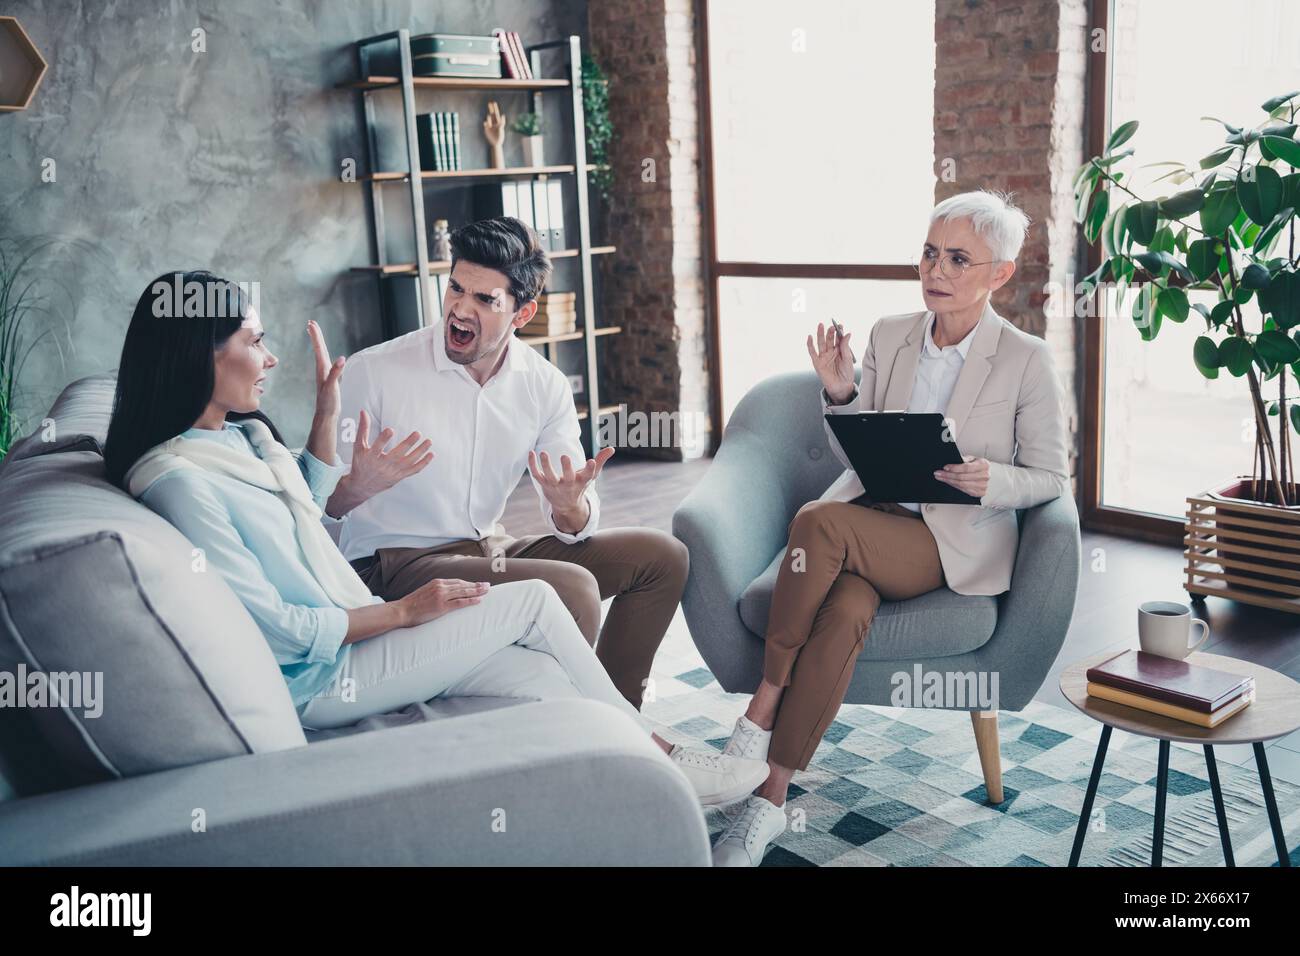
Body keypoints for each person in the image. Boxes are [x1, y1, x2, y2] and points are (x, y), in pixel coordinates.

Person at [103, 271, 768, 808]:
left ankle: (631, 786)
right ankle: (666, 761)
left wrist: (325, 421)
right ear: (199, 356)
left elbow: (292, 511)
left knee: (541, 671)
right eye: (254, 341)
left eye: (485, 297)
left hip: (450, 570)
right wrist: (402, 612)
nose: (270, 356)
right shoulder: (180, 481)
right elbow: (275, 629)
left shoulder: (234, 436)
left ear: (521, 310)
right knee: (538, 603)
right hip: (324, 676)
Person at [706, 190, 1071, 865]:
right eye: (930, 253)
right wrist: (842, 395)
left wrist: (995, 480)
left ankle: (758, 715)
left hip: (946, 541)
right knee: (842, 612)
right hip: (875, 518)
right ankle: (769, 800)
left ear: (1000, 274)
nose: (936, 270)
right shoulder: (891, 334)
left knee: (817, 522)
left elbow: (1052, 476)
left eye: (958, 259)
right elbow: (860, 451)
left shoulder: (1025, 359)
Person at [323, 217, 688, 709]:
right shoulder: (375, 371)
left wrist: (568, 507)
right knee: (574, 588)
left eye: (484, 299)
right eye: (455, 287)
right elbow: (315, 508)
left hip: (486, 550)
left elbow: (573, 521)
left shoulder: (543, 384)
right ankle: (591, 734)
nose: (459, 307)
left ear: (522, 313)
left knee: (662, 557)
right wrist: (354, 489)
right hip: (395, 564)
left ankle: (615, 722)